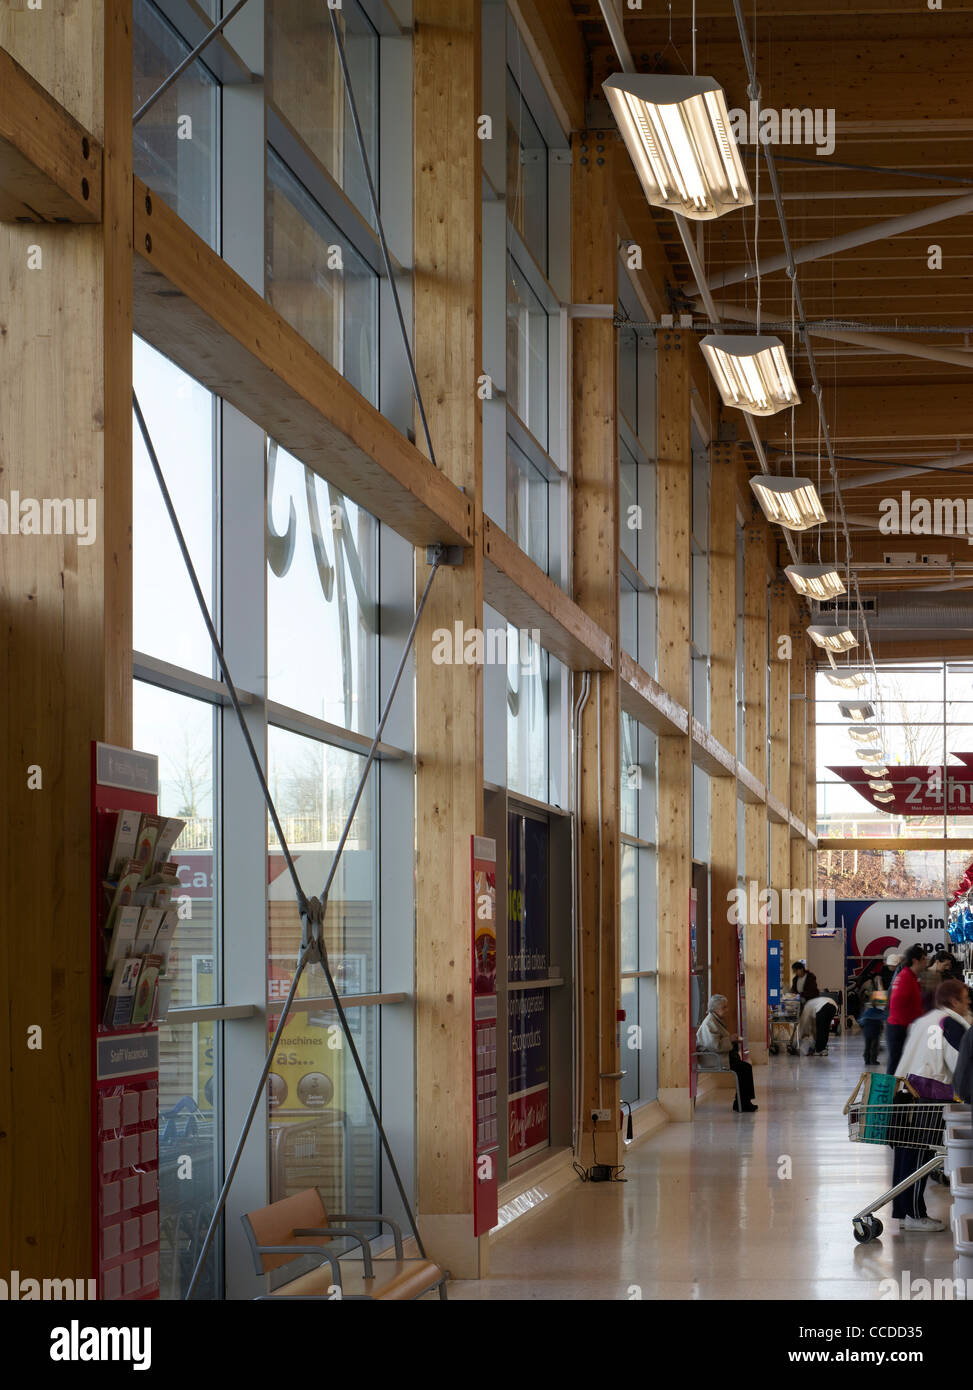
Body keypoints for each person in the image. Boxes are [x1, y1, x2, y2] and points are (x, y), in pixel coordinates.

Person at [890, 979, 971, 1232]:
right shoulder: (951, 1024)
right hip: (928, 1096)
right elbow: (962, 1064)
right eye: (965, 997)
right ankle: (914, 1215)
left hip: (904, 1091)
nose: (968, 1002)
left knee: (906, 1154)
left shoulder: (925, 1020)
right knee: (920, 1156)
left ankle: (904, 1213)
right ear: (954, 1001)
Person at [696, 994, 758, 1113]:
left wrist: (731, 1039)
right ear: (715, 1009)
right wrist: (730, 1039)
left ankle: (742, 1102)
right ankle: (742, 1103)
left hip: (720, 1056)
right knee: (744, 1069)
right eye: (724, 1007)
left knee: (745, 1068)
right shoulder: (709, 1023)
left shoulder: (716, 1020)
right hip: (713, 1059)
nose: (727, 1010)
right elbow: (715, 1045)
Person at [885, 945, 926, 1075]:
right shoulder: (906, 978)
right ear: (915, 960)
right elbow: (897, 1004)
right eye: (924, 959)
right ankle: (890, 1093)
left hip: (901, 1027)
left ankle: (898, 1093)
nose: (926, 963)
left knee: (901, 1065)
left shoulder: (910, 977)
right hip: (899, 1029)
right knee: (896, 1065)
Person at [799, 972, 838, 1056]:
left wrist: (800, 1036)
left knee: (820, 1029)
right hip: (833, 1006)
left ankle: (819, 1050)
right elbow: (813, 1025)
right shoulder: (813, 1002)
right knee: (825, 1028)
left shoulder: (807, 1006)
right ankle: (823, 1049)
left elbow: (804, 1024)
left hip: (823, 1008)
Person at [858, 988, 887, 1066]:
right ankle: (873, 1060)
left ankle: (866, 1060)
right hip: (875, 1032)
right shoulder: (880, 1012)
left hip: (867, 1032)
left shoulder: (867, 1012)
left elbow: (861, 1021)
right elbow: (886, 1017)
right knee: (874, 1047)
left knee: (867, 1046)